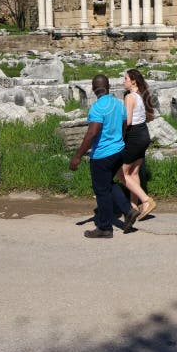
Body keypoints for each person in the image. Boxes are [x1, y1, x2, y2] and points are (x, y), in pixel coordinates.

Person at [69, 74, 139, 238]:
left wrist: (78, 156)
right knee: (109, 184)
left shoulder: (97, 107)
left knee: (102, 192)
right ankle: (128, 210)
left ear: (93, 89)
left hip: (102, 155)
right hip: (119, 151)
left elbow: (92, 133)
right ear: (108, 87)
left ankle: (105, 227)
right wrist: (117, 141)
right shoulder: (118, 103)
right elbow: (124, 125)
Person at [118, 68, 157, 220]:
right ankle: (133, 207)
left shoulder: (130, 97)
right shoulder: (141, 94)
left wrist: (118, 132)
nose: (123, 81)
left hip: (134, 137)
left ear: (133, 81)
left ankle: (146, 201)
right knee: (134, 173)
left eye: (125, 78)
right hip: (143, 135)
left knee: (121, 173)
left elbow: (127, 121)